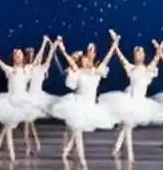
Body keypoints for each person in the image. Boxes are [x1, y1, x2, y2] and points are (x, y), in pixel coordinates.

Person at [50, 36, 119, 168]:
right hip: (78, 104)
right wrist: (62, 49)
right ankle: (82, 160)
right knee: (77, 131)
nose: (86, 60)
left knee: (77, 130)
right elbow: (70, 61)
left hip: (91, 106)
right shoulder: (79, 71)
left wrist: (114, 45)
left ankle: (66, 151)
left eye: (89, 57)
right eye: (84, 59)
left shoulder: (97, 71)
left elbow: (107, 59)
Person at [99, 33, 163, 162]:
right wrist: (116, 44)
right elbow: (120, 57)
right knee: (128, 126)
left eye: (140, 54)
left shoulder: (148, 70)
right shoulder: (130, 68)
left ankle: (117, 147)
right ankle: (129, 154)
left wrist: (159, 47)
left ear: (144, 56)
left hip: (141, 103)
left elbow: (157, 58)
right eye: (136, 54)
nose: (138, 56)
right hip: (130, 101)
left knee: (127, 126)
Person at [0, 40, 45, 162]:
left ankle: (6, 146)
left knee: (25, 123)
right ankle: (12, 155)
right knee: (9, 126)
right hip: (10, 100)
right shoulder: (9, 70)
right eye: (16, 55)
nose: (18, 57)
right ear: (13, 58)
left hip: (23, 100)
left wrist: (44, 45)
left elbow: (36, 61)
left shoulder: (27, 70)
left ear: (23, 57)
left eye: (20, 55)